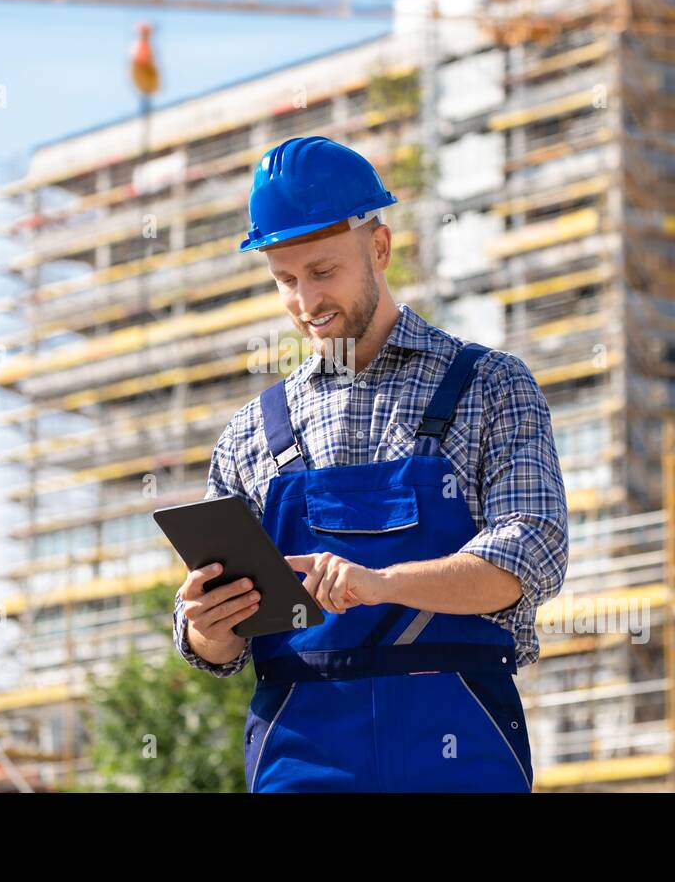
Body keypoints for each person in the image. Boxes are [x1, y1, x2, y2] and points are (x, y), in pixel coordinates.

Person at [172, 135, 568, 792]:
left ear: (379, 248)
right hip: (301, 762)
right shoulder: (249, 437)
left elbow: (532, 554)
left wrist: (378, 583)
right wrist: (206, 628)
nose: (306, 302)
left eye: (323, 272)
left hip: (460, 755)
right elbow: (216, 647)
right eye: (285, 280)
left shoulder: (491, 388)